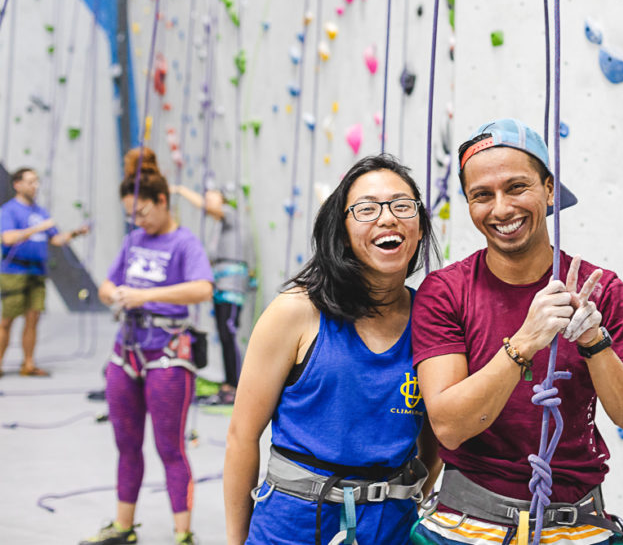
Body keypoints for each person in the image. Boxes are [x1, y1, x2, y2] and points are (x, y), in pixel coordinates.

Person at [411, 118, 623, 545]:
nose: (501, 209)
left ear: (548, 190)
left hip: (578, 526)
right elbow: (449, 426)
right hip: (463, 527)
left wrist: (594, 343)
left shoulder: (601, 290)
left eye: (516, 188)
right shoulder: (446, 291)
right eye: (482, 196)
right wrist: (525, 342)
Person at [224, 154, 442, 545]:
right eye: (367, 209)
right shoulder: (295, 312)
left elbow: (438, 436)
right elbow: (242, 436)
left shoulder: (432, 319)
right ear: (341, 232)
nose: (388, 218)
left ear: (421, 227)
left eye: (402, 205)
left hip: (389, 528)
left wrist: (403, 499)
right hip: (293, 527)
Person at [81, 149, 213, 545]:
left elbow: (203, 288)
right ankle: (124, 528)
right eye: (130, 215)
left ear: (162, 202)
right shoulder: (134, 240)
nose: (136, 221)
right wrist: (113, 294)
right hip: (127, 352)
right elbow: (108, 281)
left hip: (168, 354)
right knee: (126, 444)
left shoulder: (184, 243)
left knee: (169, 447)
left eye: (141, 212)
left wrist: (146, 295)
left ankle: (182, 534)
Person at [0, 167, 89, 377]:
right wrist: (38, 228)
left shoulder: (41, 212)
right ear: (18, 185)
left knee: (33, 318)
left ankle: (28, 364)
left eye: (36, 181)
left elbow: (55, 239)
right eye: (30, 182)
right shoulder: (9, 210)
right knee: (7, 320)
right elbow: (8, 238)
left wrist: (75, 233)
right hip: (14, 272)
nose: (35, 186)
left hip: (37, 272)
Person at [171, 180, 250, 404]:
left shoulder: (230, 214)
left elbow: (209, 208)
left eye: (212, 195)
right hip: (220, 285)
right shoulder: (220, 227)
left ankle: (235, 385)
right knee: (224, 335)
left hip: (232, 285)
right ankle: (229, 382)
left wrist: (182, 189)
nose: (208, 199)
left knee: (228, 333)